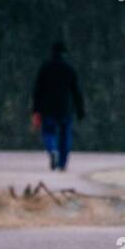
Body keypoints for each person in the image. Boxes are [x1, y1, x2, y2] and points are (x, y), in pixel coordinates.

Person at [31, 41, 86, 171]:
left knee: (48, 132)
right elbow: (76, 91)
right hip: (65, 108)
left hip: (47, 107)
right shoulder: (69, 69)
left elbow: (37, 91)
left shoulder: (45, 67)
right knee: (65, 135)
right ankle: (62, 162)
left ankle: (52, 150)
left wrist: (36, 110)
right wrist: (80, 109)